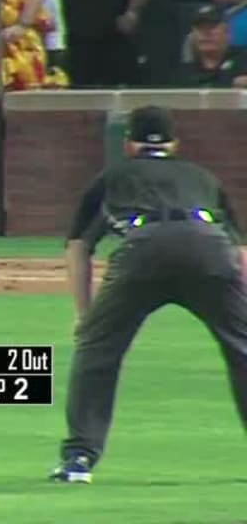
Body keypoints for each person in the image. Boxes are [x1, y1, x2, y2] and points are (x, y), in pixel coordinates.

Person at [50, 105, 247, 484]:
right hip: (209, 250)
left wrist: (83, 315)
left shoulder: (113, 176)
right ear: (174, 144)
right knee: (242, 351)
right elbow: (239, 251)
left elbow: (78, 247)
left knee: (97, 352)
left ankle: (79, 460)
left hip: (144, 252)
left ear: (128, 145)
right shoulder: (203, 177)